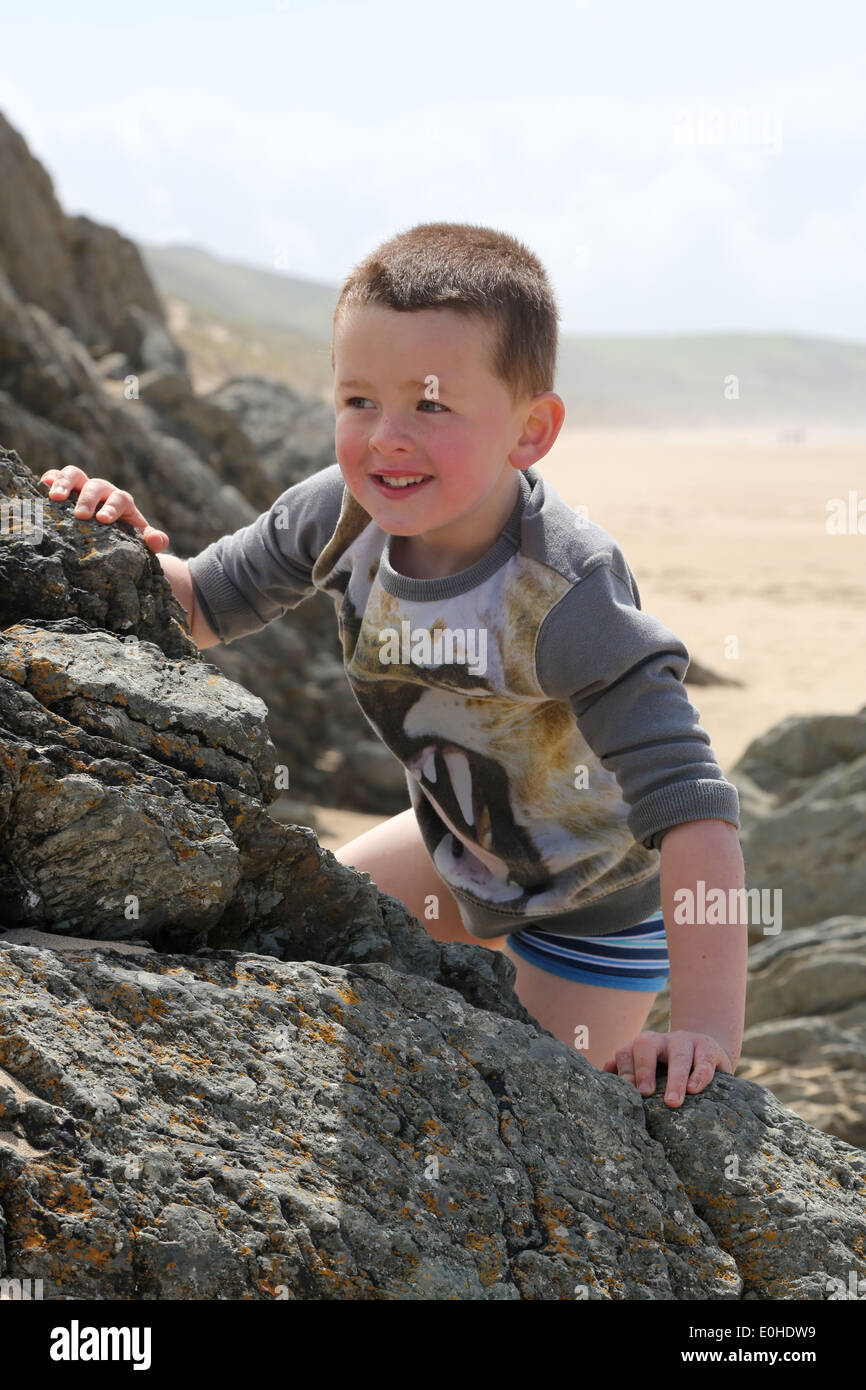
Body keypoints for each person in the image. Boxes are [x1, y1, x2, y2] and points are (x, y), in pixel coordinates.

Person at [39, 221, 747, 1110]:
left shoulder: (566, 596)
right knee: (278, 952)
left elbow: (695, 811)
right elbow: (200, 606)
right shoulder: (337, 516)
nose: (386, 439)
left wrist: (711, 1028)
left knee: (519, 1112)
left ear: (531, 431)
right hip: (452, 848)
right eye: (359, 400)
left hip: (588, 915)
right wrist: (112, 538)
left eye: (432, 405)